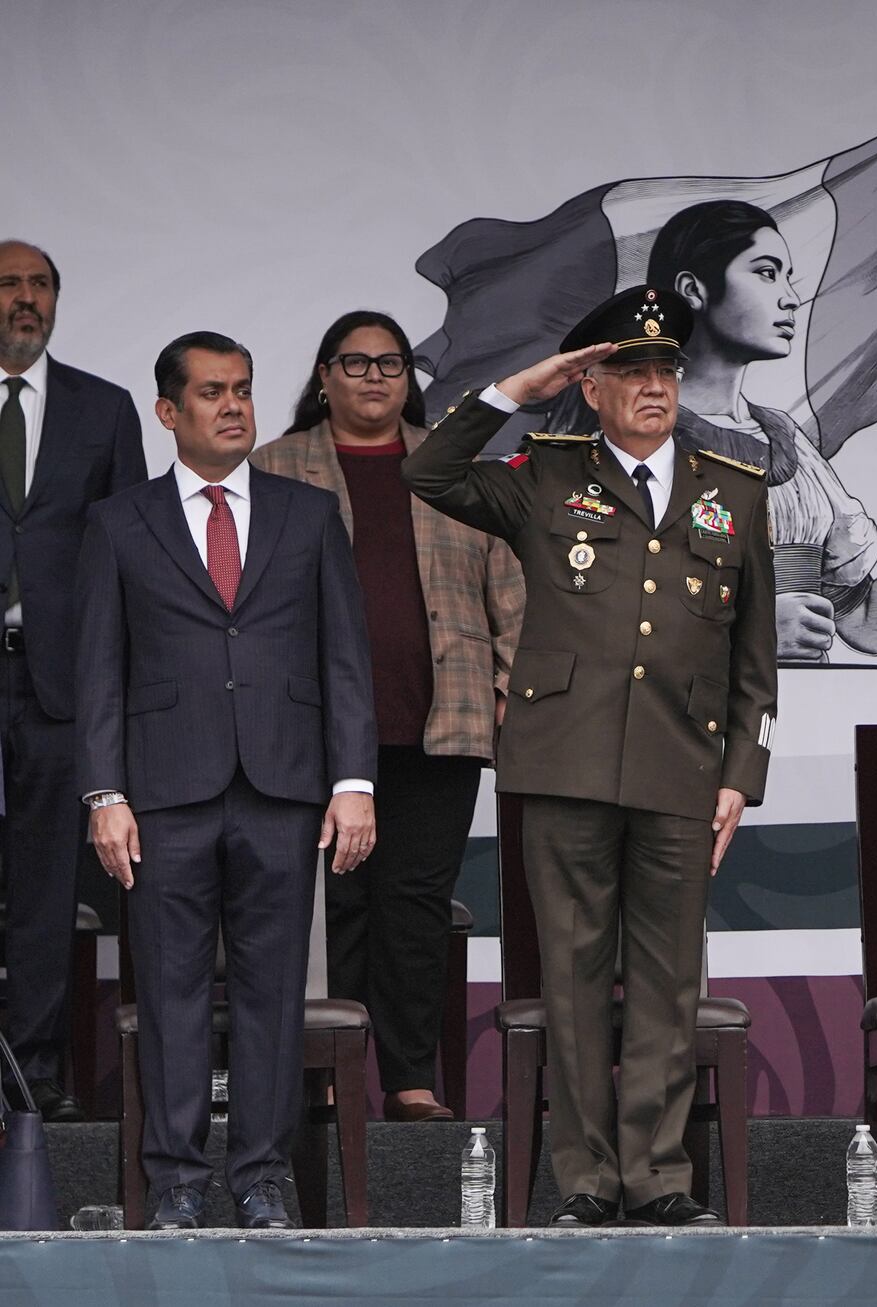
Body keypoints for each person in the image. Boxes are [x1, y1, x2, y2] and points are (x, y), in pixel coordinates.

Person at [404, 285, 776, 1227]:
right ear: (594, 385)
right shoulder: (542, 473)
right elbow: (430, 473)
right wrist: (516, 391)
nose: (653, 386)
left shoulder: (735, 490)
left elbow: (755, 663)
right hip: (562, 762)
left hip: (681, 768)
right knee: (569, 976)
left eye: (665, 371)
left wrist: (742, 775)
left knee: (665, 979)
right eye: (631, 371)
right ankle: (586, 1177)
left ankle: (658, 1175)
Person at [76, 332, 379, 1229]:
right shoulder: (119, 521)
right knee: (166, 991)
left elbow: (344, 658)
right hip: (161, 792)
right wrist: (104, 793)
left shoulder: (307, 511)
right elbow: (98, 668)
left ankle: (260, 1172)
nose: (234, 405)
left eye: (243, 388)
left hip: (283, 786)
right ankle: (174, 1178)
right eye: (212, 392)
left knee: (272, 989)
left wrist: (354, 779)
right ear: (169, 412)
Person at [251, 310, 523, 1122]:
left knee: (413, 905)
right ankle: (326, 1077)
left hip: (442, 721)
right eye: (355, 362)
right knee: (332, 906)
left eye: (390, 363)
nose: (374, 377)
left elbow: (511, 587)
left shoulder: (453, 464)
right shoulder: (276, 468)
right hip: (312, 731)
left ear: (410, 376)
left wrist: (508, 683)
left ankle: (409, 1079)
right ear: (323, 375)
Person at [636, 199, 877, 663]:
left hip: (805, 715)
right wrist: (753, 633)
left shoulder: (786, 437)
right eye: (767, 272)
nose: (791, 297)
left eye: (788, 277)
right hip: (691, 720)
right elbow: (605, 619)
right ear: (693, 288)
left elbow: (868, 625)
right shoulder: (639, 440)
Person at [0, 239, 147, 1121]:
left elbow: (127, 556)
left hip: (58, 683)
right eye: (10, 284)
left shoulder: (105, 407)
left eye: (40, 285)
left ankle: (31, 1069)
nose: (26, 299)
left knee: (50, 884)